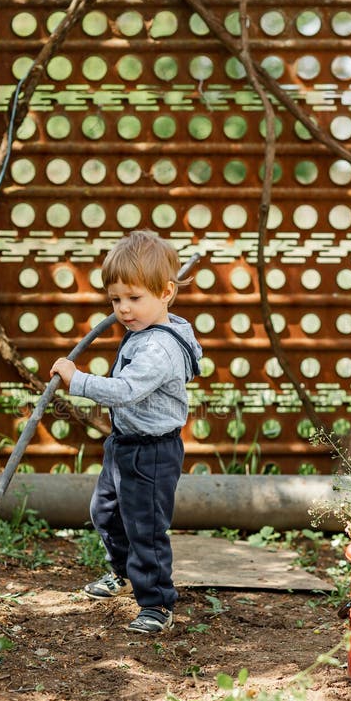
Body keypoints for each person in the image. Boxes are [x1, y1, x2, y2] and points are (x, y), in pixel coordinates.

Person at [51, 230, 202, 634]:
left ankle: (157, 604)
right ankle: (122, 573)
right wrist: (141, 307)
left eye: (134, 299)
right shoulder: (147, 328)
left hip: (152, 452)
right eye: (116, 300)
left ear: (166, 292)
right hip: (124, 444)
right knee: (105, 513)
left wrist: (76, 379)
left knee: (146, 529)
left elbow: (126, 391)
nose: (123, 309)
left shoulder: (160, 349)